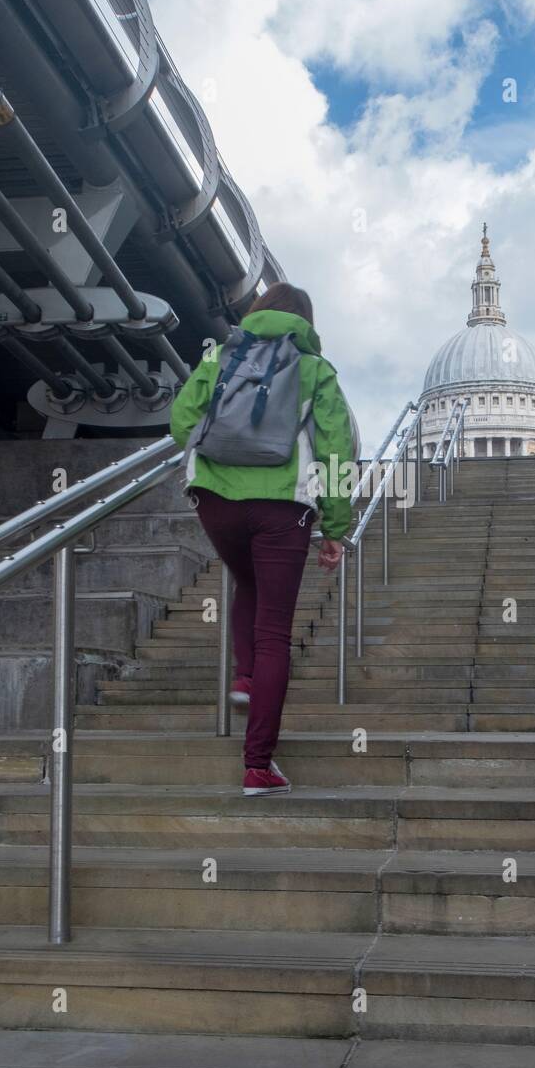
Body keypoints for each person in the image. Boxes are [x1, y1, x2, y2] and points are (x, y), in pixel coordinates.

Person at [170, 282, 355, 796]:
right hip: (282, 507)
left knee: (244, 580)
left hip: (214, 500)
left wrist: (221, 451)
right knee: (275, 630)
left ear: (257, 312)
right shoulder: (315, 370)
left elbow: (179, 422)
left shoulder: (222, 356)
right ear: (306, 321)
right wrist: (336, 528)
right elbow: (337, 452)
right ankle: (257, 767)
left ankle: (244, 678)